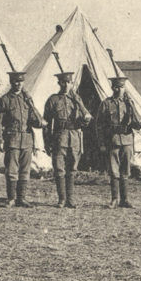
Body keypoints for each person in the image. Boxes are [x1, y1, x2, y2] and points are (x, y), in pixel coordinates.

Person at [43, 68, 92, 207]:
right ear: (59, 83)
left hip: (75, 137)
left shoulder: (77, 100)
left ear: (72, 84)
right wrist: (47, 142)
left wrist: (85, 119)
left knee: (72, 169)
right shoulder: (53, 100)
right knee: (59, 169)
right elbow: (46, 124)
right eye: (63, 82)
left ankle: (70, 199)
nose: (66, 85)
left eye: (69, 82)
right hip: (59, 137)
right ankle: (62, 199)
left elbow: (85, 120)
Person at [0, 71, 43, 207]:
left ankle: (21, 198)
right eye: (16, 81)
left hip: (27, 139)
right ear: (11, 82)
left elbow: (36, 121)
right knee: (11, 170)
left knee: (25, 170)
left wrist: (38, 118)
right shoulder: (5, 100)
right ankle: (11, 198)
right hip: (12, 138)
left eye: (21, 82)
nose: (19, 84)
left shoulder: (27, 99)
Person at [95, 75, 141, 208]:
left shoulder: (129, 104)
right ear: (112, 88)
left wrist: (131, 108)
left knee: (125, 171)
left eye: (121, 87)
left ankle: (125, 199)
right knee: (113, 171)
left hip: (127, 140)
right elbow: (99, 126)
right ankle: (114, 199)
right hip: (113, 140)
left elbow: (138, 124)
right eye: (116, 87)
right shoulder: (106, 103)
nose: (119, 89)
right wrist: (102, 144)